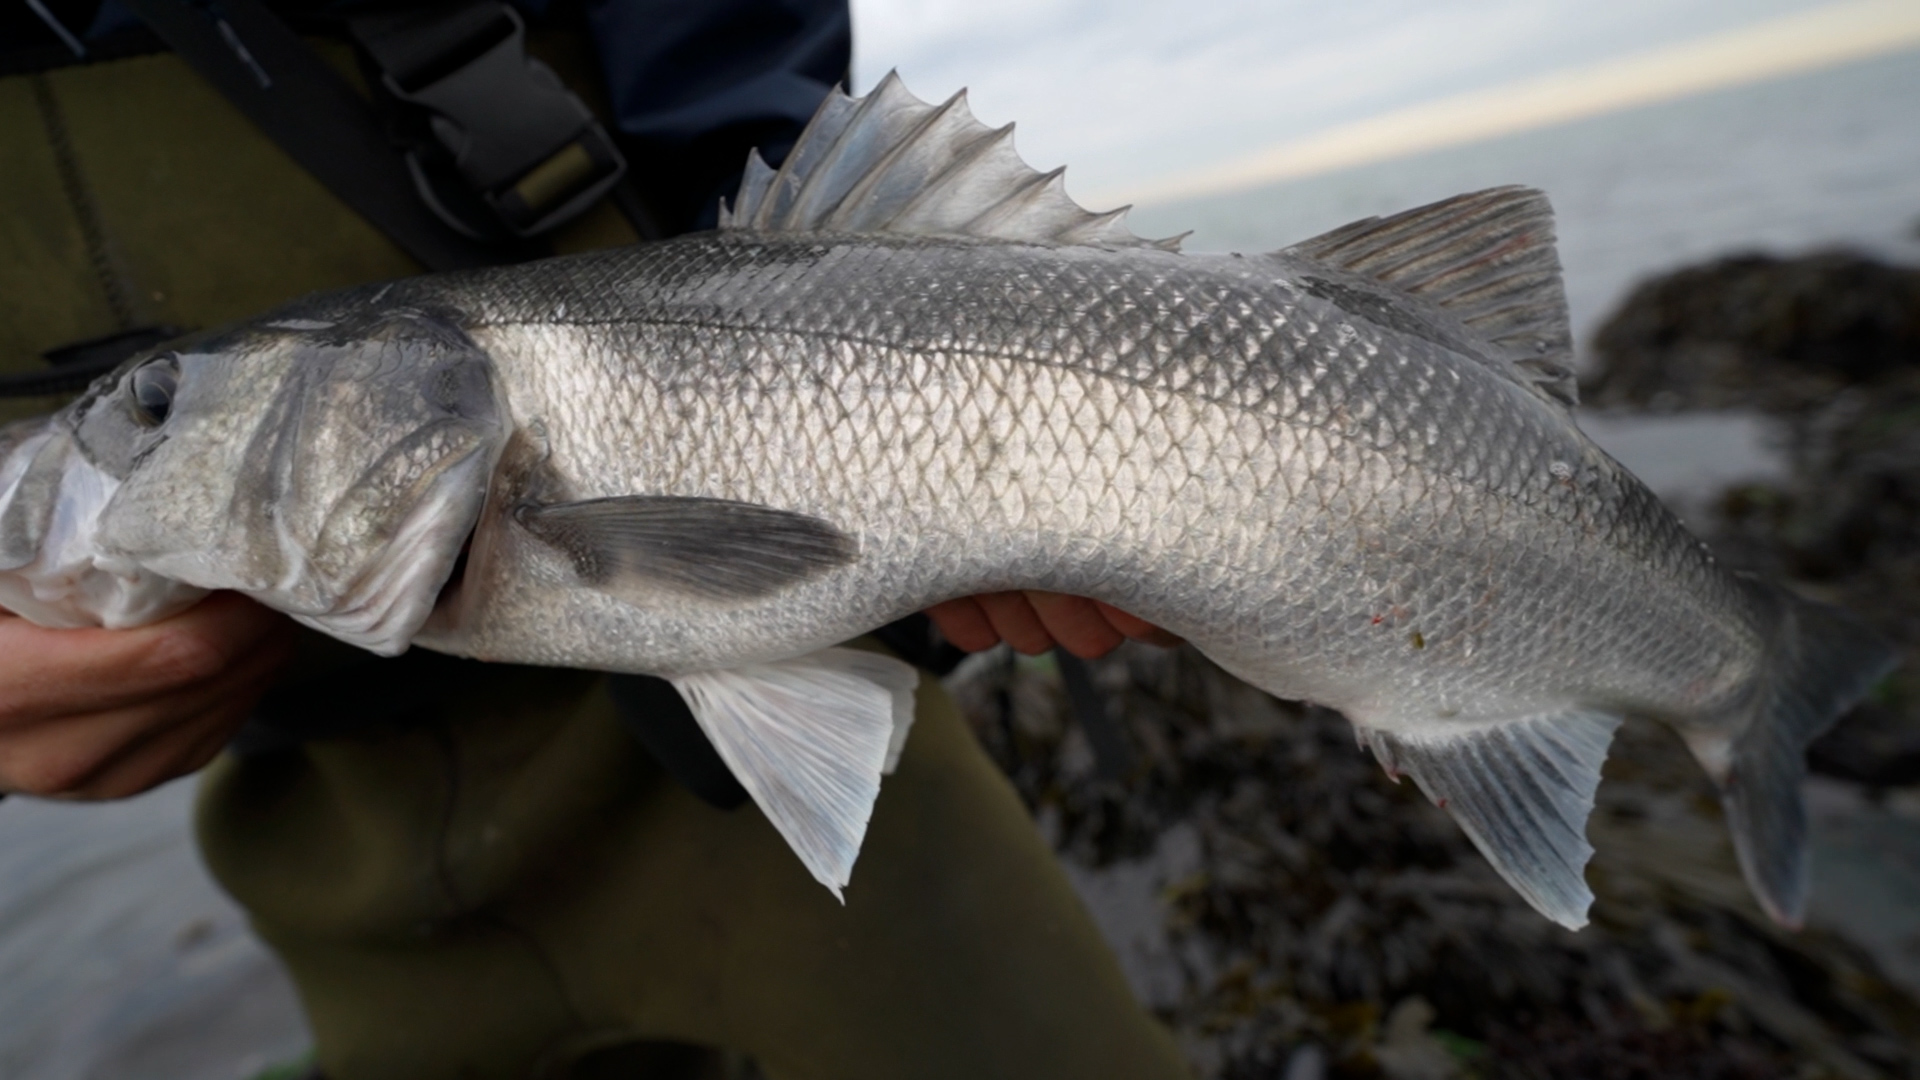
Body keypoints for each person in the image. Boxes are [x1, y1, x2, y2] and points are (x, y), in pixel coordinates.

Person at [0, 1, 1191, 1077]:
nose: (118, 439)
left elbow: (767, 147)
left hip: (741, 793)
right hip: (323, 829)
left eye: (154, 405)